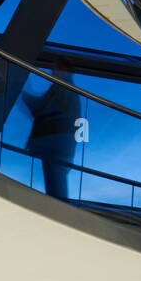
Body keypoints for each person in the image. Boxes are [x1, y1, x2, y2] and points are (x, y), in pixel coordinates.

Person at [21, 57, 83, 200]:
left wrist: (23, 91)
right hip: (59, 145)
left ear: (64, 71)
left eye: (55, 69)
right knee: (55, 186)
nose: (51, 72)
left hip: (54, 143)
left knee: (55, 189)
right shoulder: (64, 89)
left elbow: (41, 108)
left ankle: (58, 209)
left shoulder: (62, 88)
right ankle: (57, 207)